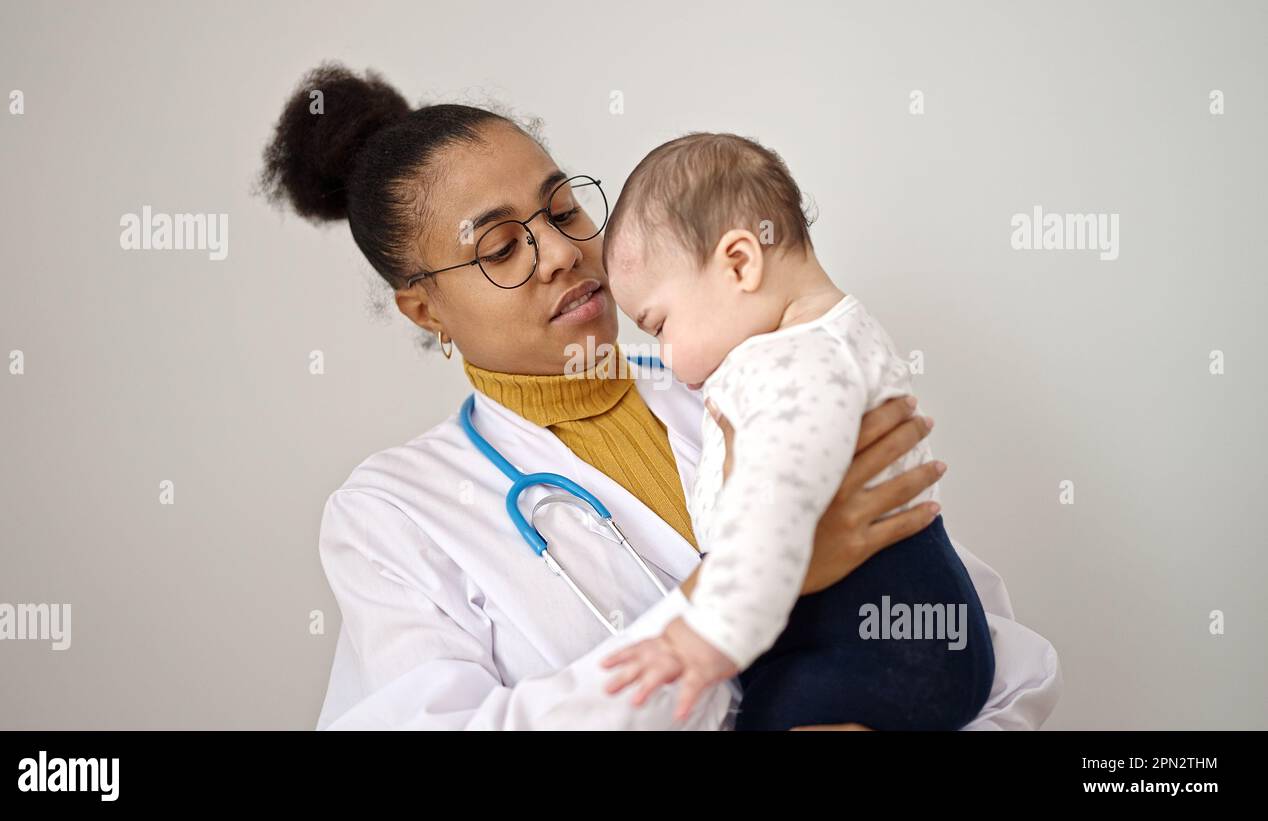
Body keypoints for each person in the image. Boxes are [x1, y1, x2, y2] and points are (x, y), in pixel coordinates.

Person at [258, 62, 1061, 730]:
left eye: (565, 208)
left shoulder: (755, 370)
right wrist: (751, 583)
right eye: (502, 246)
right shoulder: (391, 515)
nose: (564, 254)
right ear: (424, 307)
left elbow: (990, 654)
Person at [600, 133, 993, 730]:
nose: (666, 356)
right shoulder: (827, 339)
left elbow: (773, 511)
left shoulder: (790, 363)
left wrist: (707, 634)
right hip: (898, 631)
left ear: (739, 262)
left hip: (871, 635)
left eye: (659, 324)